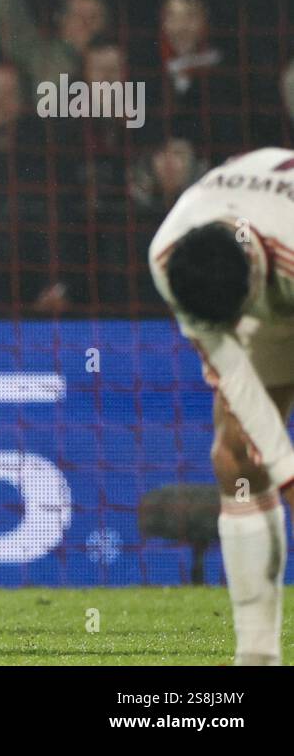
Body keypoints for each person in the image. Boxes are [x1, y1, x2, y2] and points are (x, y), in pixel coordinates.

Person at [149, 147, 294, 665]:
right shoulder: (170, 254)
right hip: (274, 301)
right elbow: (235, 376)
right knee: (235, 457)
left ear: (253, 281)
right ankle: (257, 656)